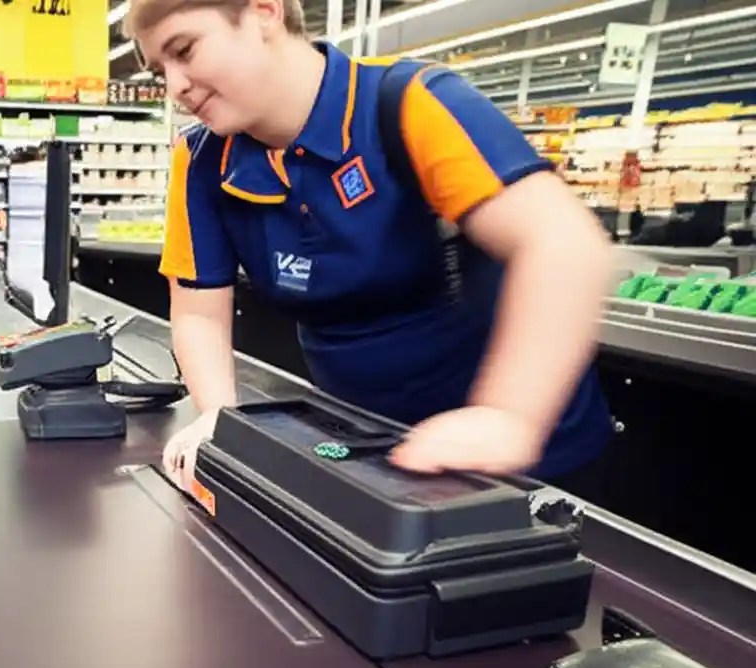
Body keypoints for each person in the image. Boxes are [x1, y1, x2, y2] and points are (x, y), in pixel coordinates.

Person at [124, 0, 616, 495]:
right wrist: (217, 418)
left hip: (527, 467)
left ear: (264, 12)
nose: (175, 87)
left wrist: (508, 416)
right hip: (362, 450)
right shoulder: (204, 159)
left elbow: (561, 241)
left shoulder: (406, 103)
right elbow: (198, 311)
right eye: (160, 69)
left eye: (184, 50)